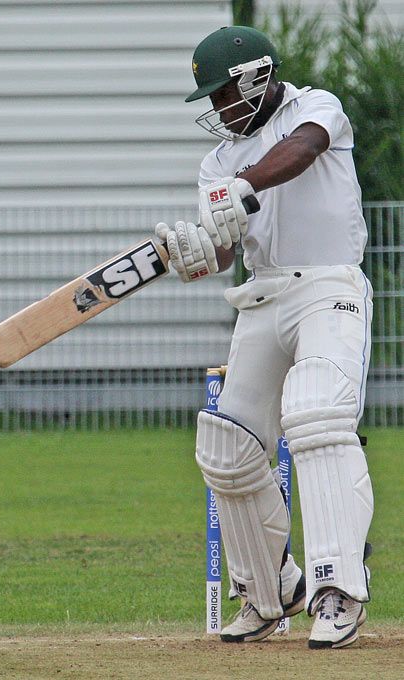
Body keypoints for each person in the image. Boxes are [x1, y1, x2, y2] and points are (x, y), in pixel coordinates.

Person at [156, 27, 374, 648]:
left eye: (224, 94)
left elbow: (302, 151)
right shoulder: (217, 161)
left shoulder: (315, 107)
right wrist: (197, 249)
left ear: (256, 77)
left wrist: (243, 188)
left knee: (317, 415)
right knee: (226, 446)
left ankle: (338, 589)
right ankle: (269, 592)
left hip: (328, 284)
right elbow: (225, 251)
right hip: (261, 296)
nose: (219, 110)